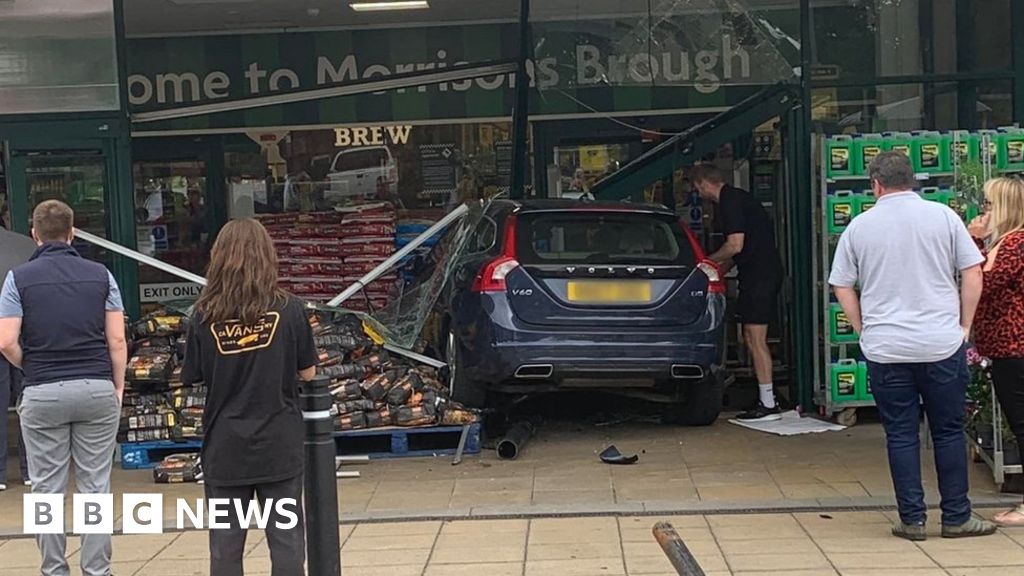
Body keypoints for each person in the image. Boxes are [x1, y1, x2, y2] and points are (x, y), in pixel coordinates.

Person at [829, 152, 995, 540]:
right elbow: (972, 271)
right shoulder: (943, 217)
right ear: (913, 180)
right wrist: (964, 326)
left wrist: (862, 330)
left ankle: (912, 519)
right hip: (940, 343)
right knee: (949, 432)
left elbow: (842, 284)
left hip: (886, 348)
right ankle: (957, 517)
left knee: (900, 434)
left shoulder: (860, 226)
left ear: (876, 184)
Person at [180, 218, 318, 576]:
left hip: (225, 447)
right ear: (267, 257)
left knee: (226, 549)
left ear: (219, 259)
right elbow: (309, 372)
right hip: (278, 443)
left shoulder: (203, 316)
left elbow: (192, 376)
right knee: (286, 543)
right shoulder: (291, 310)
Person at [0, 200, 127, 575]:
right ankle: (96, 570)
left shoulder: (18, 279)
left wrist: (32, 365)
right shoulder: (101, 275)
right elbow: (117, 341)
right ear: (72, 232)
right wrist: (116, 386)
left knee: (46, 489)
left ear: (34, 235)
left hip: (42, 391)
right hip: (95, 388)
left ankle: (54, 569)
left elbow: (6, 341)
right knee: (94, 486)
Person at [690, 163, 784, 421]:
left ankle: (768, 403)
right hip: (758, 273)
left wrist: (706, 262)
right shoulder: (738, 199)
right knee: (750, 335)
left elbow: (734, 245)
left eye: (697, 188)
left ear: (702, 184)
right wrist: (720, 269)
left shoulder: (729, 202)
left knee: (755, 338)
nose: (698, 194)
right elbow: (740, 251)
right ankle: (765, 397)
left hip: (759, 276)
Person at [968, 177, 1024, 527]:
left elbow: (981, 285)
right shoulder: (1006, 243)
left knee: (1022, 422)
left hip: (1013, 346)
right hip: (1006, 346)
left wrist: (972, 240)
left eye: (988, 204)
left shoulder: (1015, 244)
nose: (983, 211)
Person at [0, 225, 36, 491]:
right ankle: (30, 469)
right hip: (25, 334)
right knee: (28, 404)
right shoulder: (26, 247)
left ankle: (0, 474)